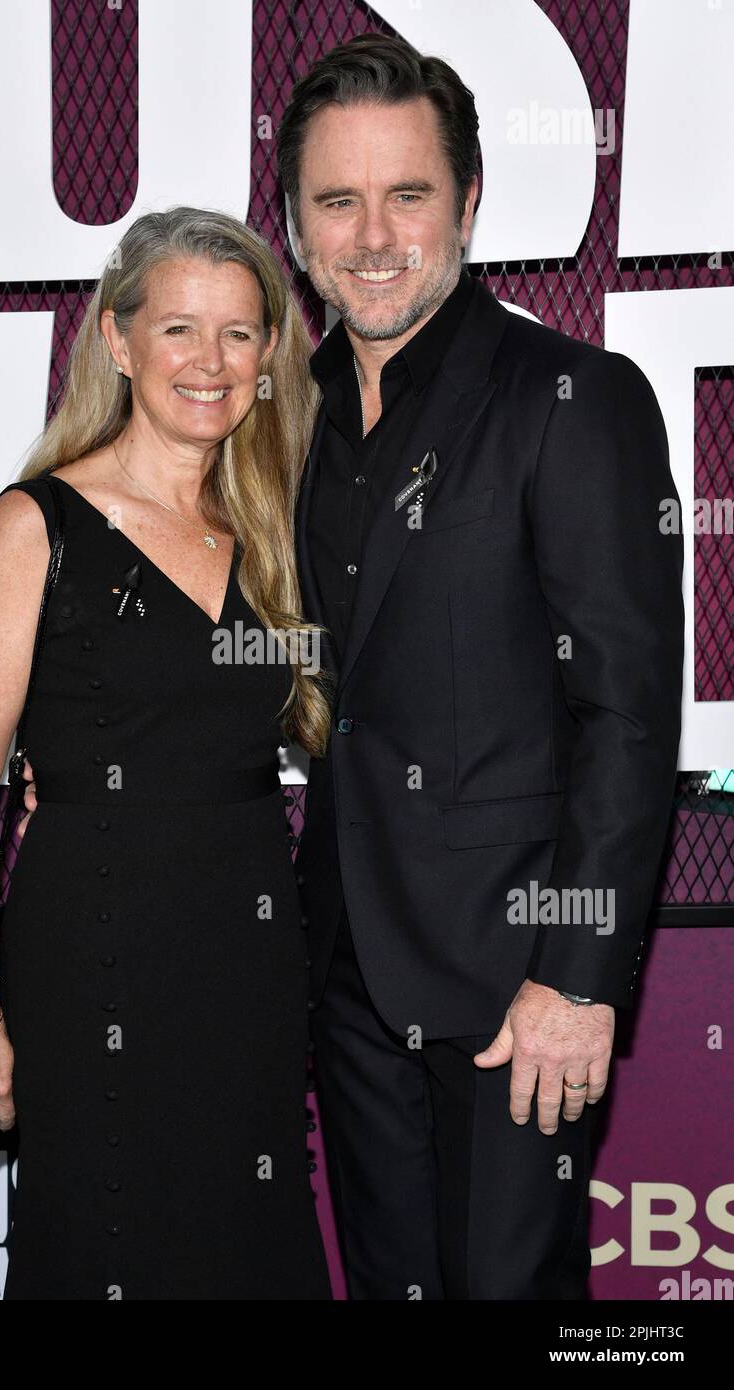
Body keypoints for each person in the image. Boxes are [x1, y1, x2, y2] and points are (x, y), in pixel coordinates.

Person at [275, 34, 684, 1299]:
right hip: (346, 974)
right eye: (336, 201)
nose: (373, 234)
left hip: (515, 982)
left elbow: (624, 709)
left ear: (468, 204)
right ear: (293, 228)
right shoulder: (284, 419)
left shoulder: (573, 398)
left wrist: (575, 979)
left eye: (408, 194)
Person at [0, 207, 334, 1300]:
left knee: (246, 1237)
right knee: (107, 1235)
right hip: (90, 947)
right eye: (180, 330)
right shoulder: (35, 525)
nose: (210, 362)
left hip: (245, 954)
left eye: (240, 335)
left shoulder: (271, 529)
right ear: (116, 339)